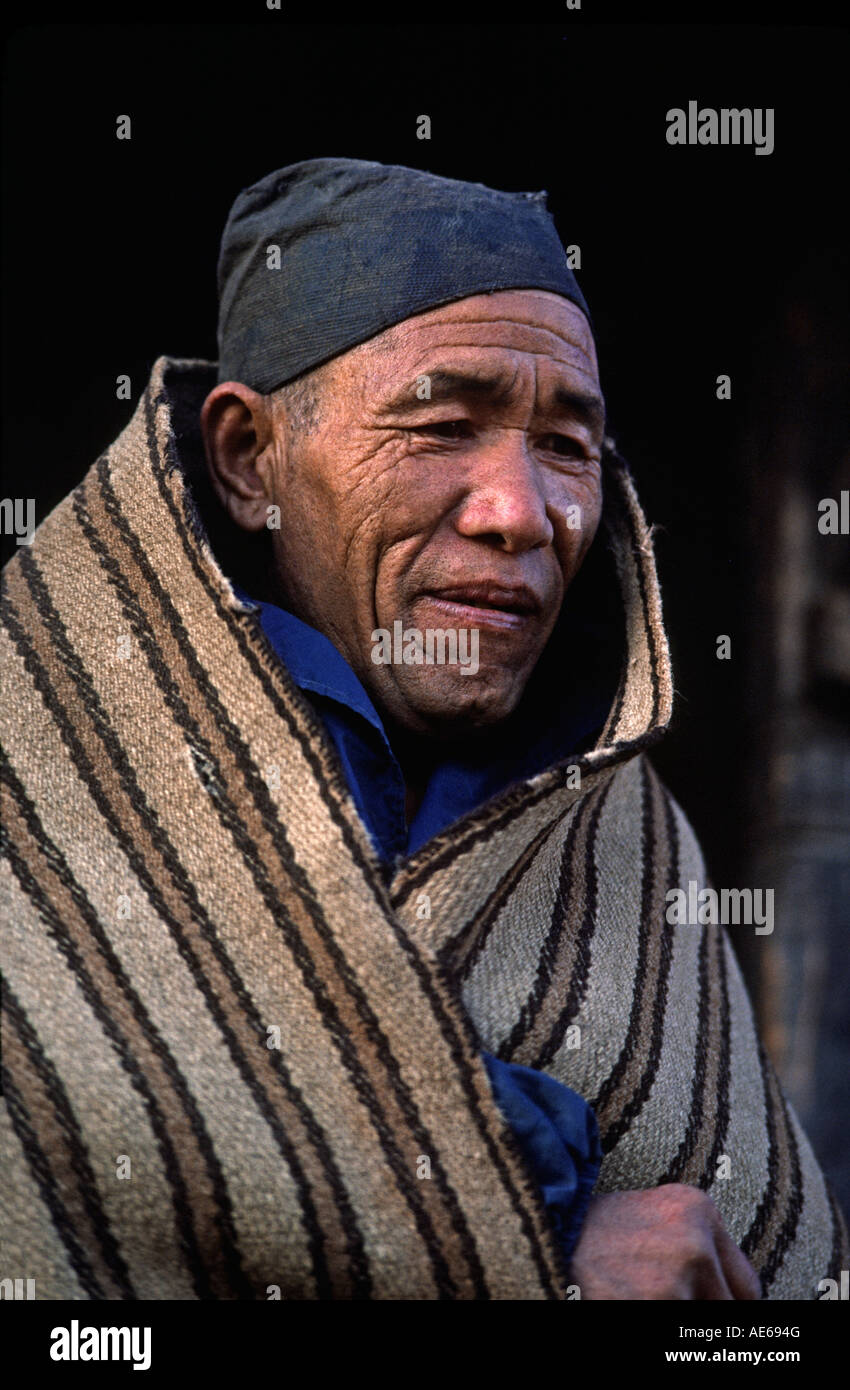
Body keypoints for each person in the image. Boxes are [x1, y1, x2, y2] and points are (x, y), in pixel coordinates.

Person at [1, 158, 845, 1300]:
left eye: (564, 446)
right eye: (443, 423)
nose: (522, 513)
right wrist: (527, 1246)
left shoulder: (631, 842)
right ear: (252, 461)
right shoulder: (33, 746)